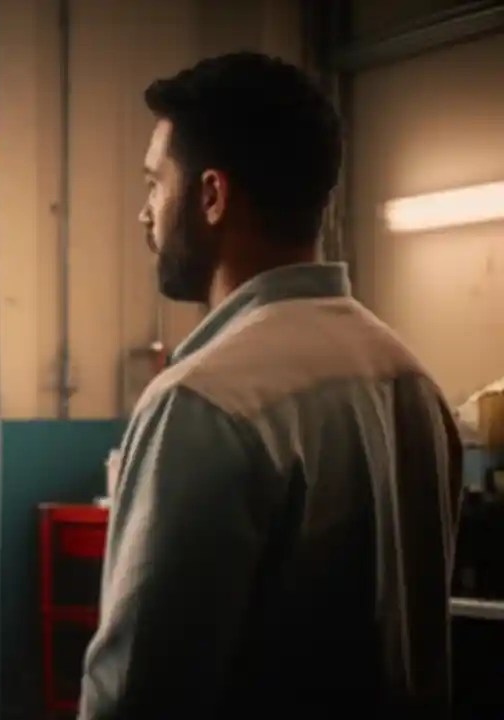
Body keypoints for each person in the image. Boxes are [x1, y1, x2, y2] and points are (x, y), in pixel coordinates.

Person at [79, 52, 462, 719]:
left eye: (154, 186)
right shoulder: (410, 379)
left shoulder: (204, 403)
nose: (146, 216)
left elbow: (141, 690)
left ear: (211, 196)